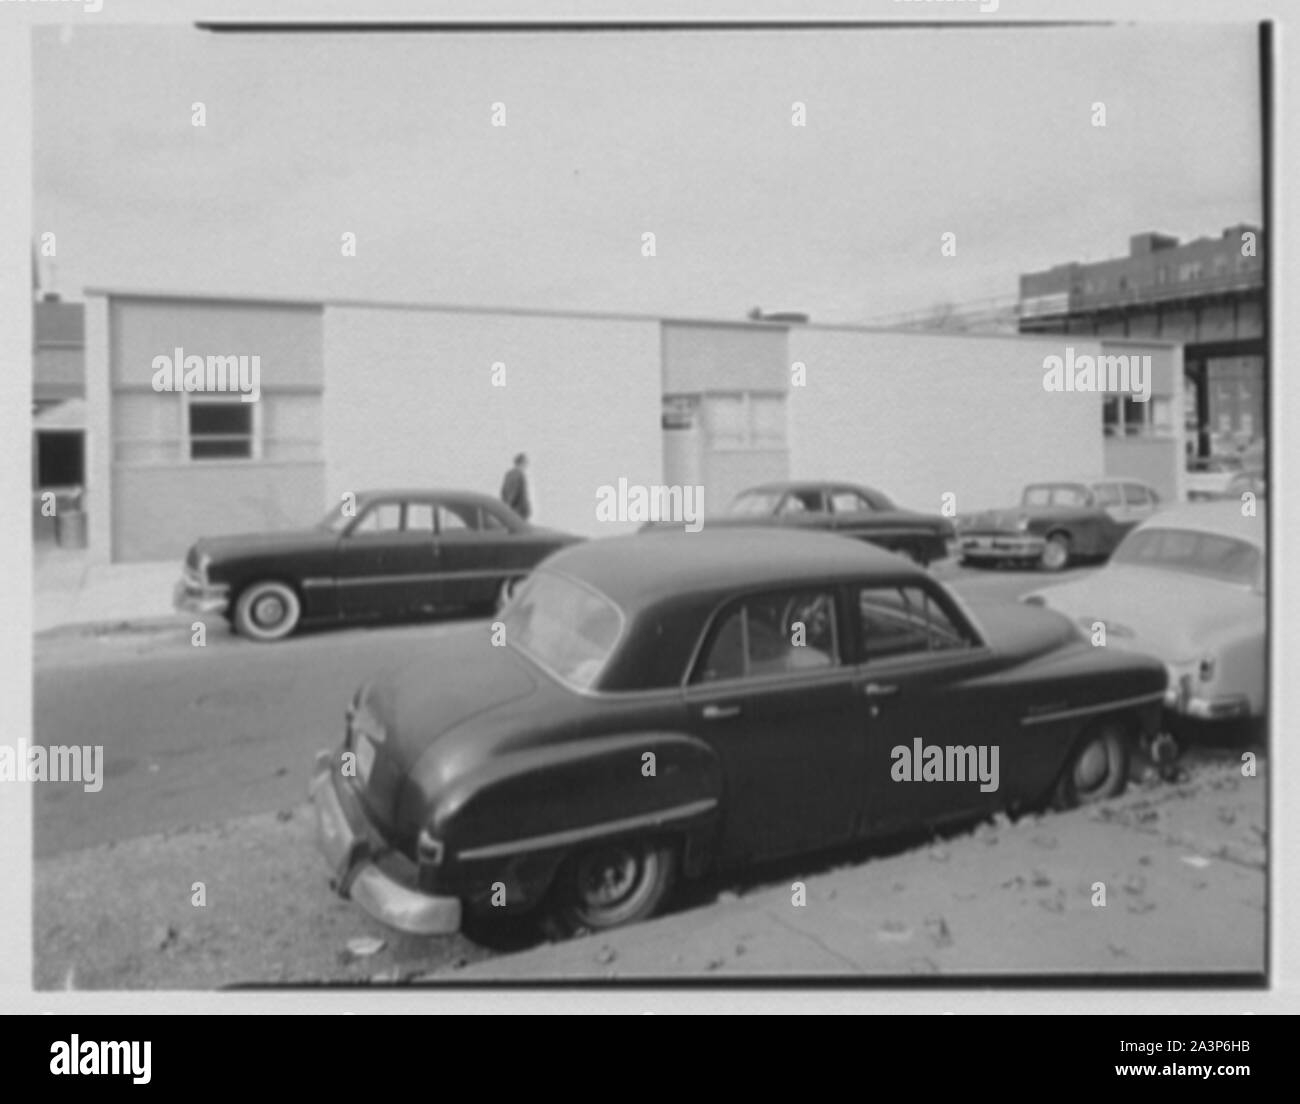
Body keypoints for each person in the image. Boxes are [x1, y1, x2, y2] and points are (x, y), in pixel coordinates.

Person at [500, 452, 531, 520]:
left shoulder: (509, 474)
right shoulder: (518, 474)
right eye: (526, 462)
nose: (527, 465)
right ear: (521, 462)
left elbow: (503, 491)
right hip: (518, 512)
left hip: (513, 511)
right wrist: (508, 508)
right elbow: (513, 492)